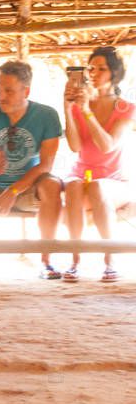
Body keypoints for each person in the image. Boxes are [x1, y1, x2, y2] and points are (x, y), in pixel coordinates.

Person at [0, 61, 63, 280]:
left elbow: (46, 165)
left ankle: (47, 260)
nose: (2, 96)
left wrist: (13, 191)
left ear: (26, 91)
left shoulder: (46, 115)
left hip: (27, 190)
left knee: (52, 184)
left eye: (9, 91)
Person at [62, 47, 133, 282]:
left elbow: (107, 146)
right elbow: (74, 146)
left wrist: (86, 112)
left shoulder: (126, 108)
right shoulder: (78, 105)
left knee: (98, 187)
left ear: (114, 73)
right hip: (82, 179)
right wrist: (69, 109)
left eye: (102, 69)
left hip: (114, 183)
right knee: (72, 184)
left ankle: (109, 259)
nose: (95, 73)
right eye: (91, 68)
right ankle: (75, 260)